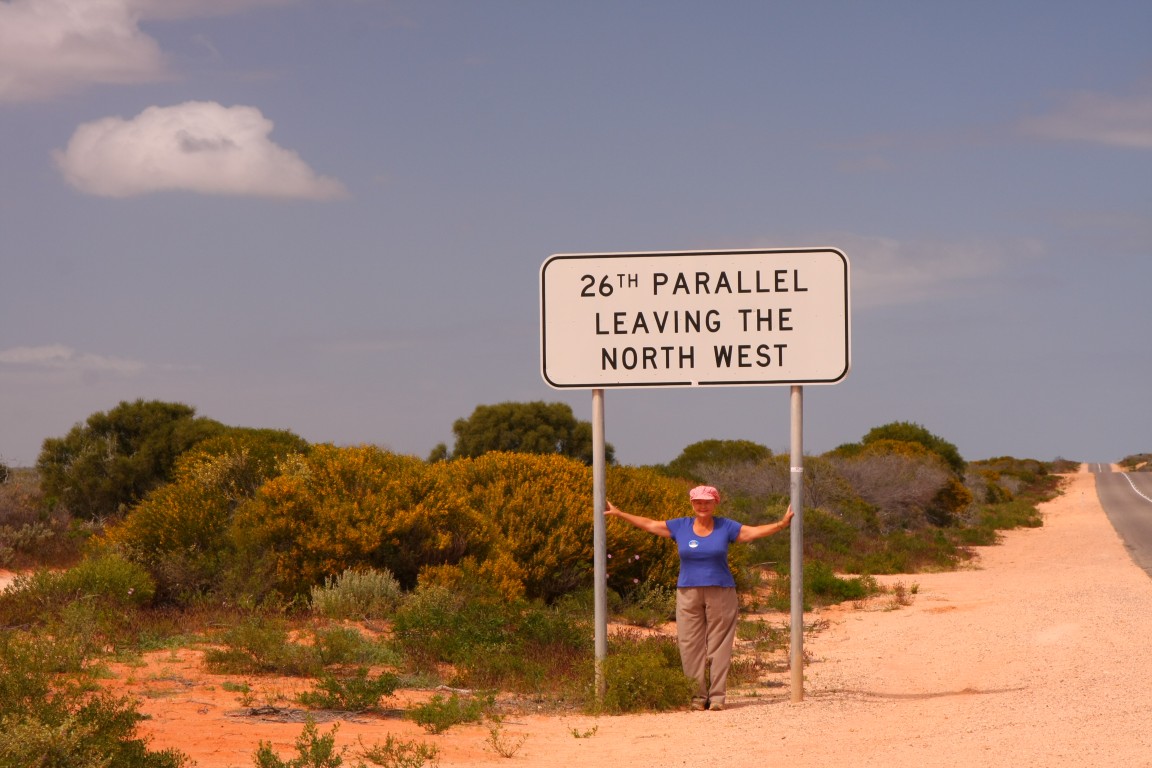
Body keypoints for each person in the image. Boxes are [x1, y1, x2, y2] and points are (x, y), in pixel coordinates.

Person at [605, 485, 793, 712]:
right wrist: (620, 514)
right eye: (698, 502)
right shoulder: (680, 526)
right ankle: (696, 696)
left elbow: (751, 532)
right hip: (687, 592)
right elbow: (650, 524)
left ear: (715, 503)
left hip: (721, 591)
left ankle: (717, 697)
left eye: (707, 501)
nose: (702, 506)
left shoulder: (726, 526)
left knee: (719, 644)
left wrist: (781, 525)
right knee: (689, 644)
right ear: (692, 503)